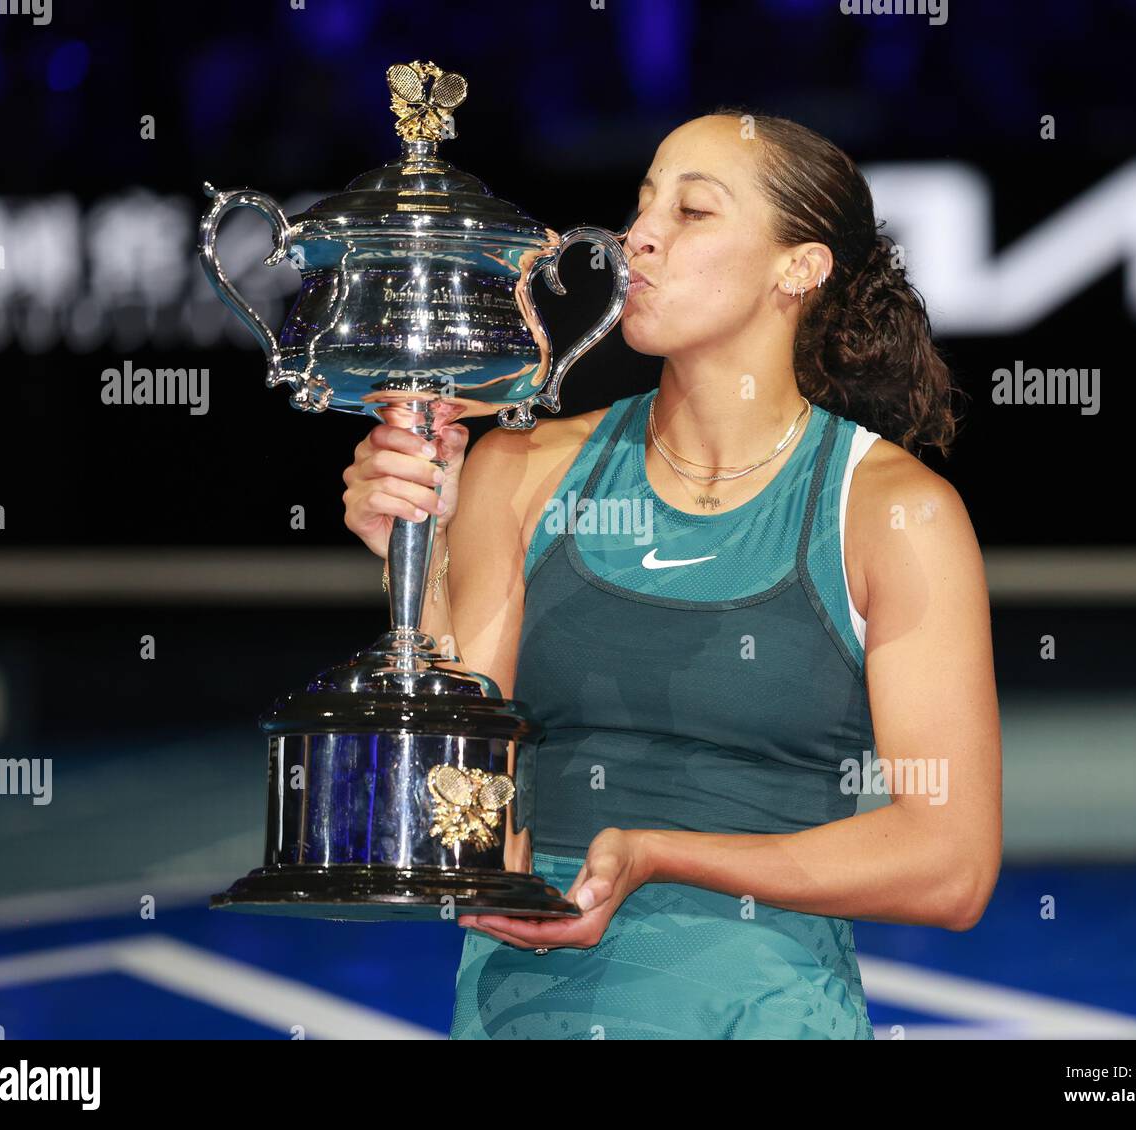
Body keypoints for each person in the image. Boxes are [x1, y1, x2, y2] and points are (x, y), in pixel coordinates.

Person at [341, 109, 1002, 1039]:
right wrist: (415, 561)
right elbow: (460, 801)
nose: (637, 235)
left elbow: (951, 865)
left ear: (798, 268)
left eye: (693, 211)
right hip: (521, 1016)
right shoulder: (515, 468)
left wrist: (661, 855)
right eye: (643, 201)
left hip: (765, 1018)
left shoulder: (893, 512)